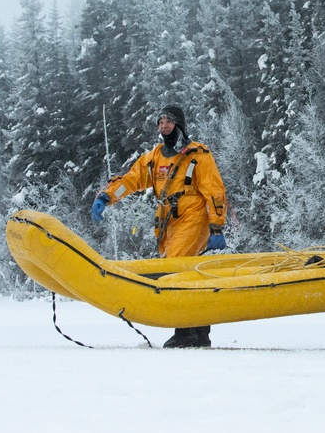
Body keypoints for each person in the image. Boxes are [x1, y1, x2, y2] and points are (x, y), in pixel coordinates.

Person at [90, 105, 228, 349]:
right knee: (185, 274)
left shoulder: (197, 155)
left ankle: (186, 332)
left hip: (193, 218)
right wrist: (106, 197)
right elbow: (130, 181)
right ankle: (199, 332)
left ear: (179, 124)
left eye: (169, 121)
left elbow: (214, 190)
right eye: (160, 121)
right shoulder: (153, 158)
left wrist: (216, 226)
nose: (163, 125)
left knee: (175, 270)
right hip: (168, 223)